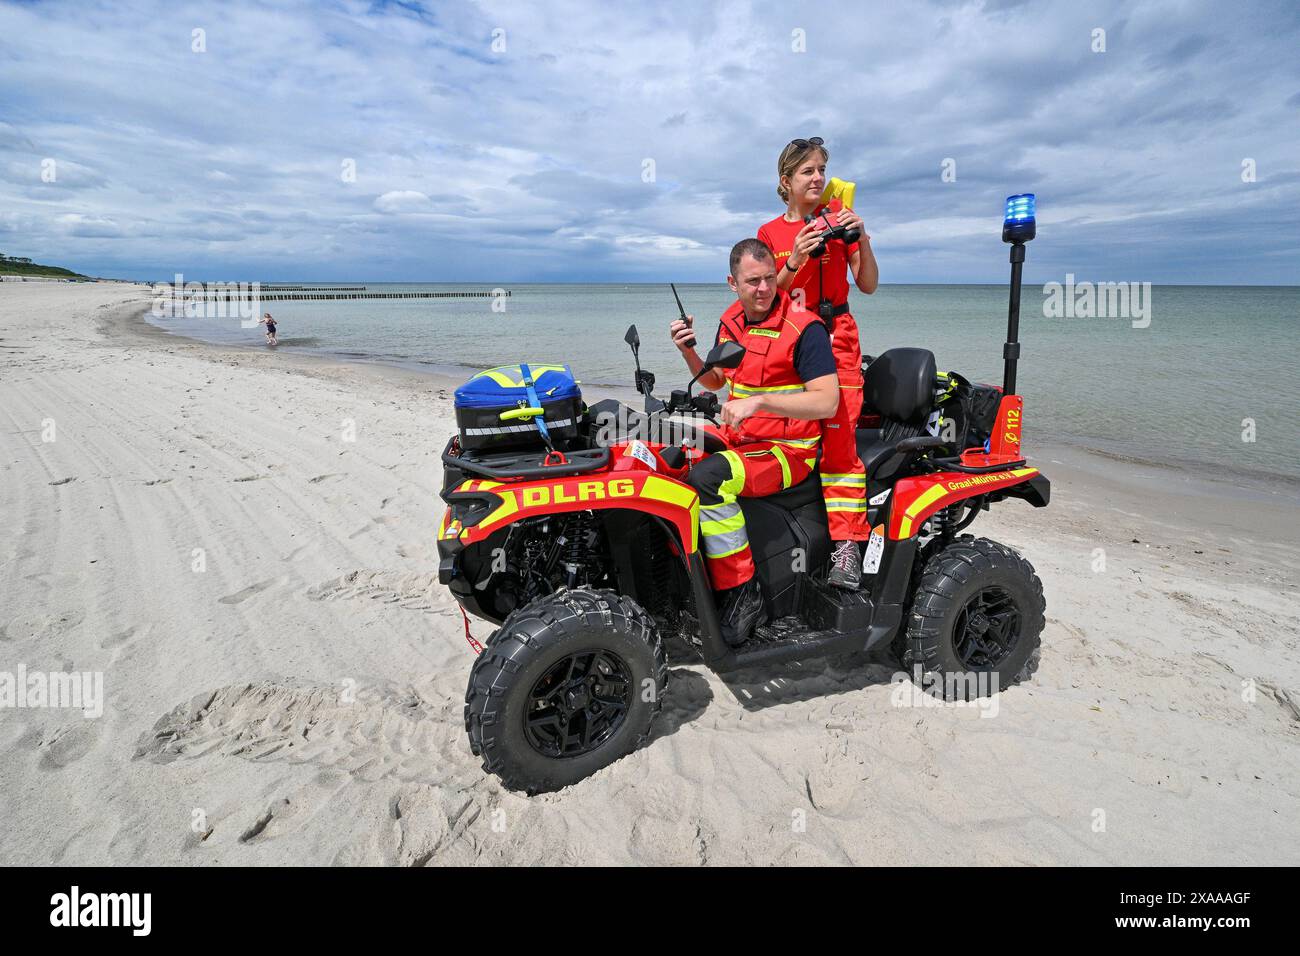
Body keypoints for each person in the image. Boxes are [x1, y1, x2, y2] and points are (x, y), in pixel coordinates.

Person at [670, 239, 839, 646]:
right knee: (668, 454)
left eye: (768, 279)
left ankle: (744, 592)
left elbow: (827, 401)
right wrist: (689, 352)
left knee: (708, 479)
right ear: (733, 283)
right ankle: (685, 574)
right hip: (741, 439)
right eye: (753, 282)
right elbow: (715, 380)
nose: (764, 289)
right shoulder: (731, 322)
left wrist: (760, 401)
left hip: (788, 451)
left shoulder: (805, 327)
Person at [758, 137, 879, 590]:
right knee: (786, 433)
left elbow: (867, 284)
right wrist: (796, 257)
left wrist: (862, 236)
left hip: (839, 337)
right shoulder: (770, 233)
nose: (817, 178)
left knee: (840, 441)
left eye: (821, 170)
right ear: (785, 181)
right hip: (795, 340)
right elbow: (769, 295)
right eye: (807, 170)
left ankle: (847, 547)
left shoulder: (837, 221)